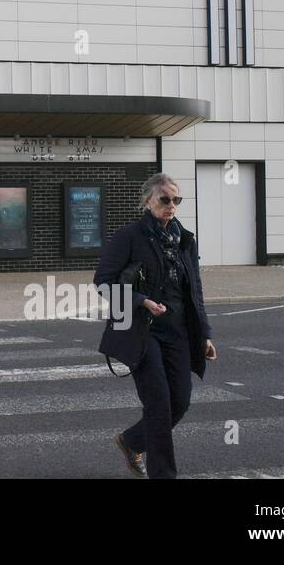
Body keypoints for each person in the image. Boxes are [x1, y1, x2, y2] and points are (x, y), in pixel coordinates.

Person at [94, 173, 218, 479]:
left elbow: (195, 291)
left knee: (180, 402)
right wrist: (141, 301)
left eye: (176, 199)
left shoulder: (185, 240)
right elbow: (103, 282)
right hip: (142, 331)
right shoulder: (130, 236)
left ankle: (132, 441)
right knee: (159, 406)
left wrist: (204, 334)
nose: (171, 205)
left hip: (178, 331)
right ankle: (163, 474)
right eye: (165, 199)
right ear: (148, 201)